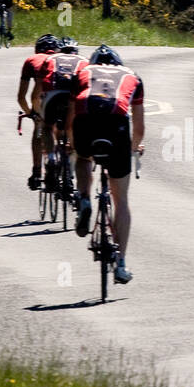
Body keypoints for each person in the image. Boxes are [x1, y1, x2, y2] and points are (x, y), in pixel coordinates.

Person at [67, 45, 145, 284]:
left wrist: (72, 144)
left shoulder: (81, 72)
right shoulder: (133, 76)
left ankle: (84, 198)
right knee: (121, 200)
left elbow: (71, 118)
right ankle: (121, 264)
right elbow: (140, 129)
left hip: (86, 122)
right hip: (117, 127)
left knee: (82, 158)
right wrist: (134, 149)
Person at [37, 38, 88, 188]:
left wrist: (38, 108)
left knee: (46, 126)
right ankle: (71, 157)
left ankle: (51, 158)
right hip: (75, 97)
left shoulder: (50, 58)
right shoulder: (85, 61)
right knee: (75, 130)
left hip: (54, 95)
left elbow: (39, 88)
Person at [17, 34, 62, 189]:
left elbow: (21, 97)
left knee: (40, 128)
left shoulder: (31, 60)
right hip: (67, 97)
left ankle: (37, 171)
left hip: (43, 97)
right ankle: (67, 170)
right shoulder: (64, 58)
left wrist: (31, 113)